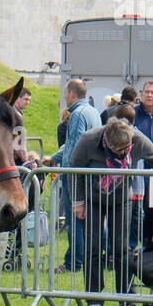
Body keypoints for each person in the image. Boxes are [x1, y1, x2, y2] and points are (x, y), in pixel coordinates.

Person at [70, 118, 153, 306]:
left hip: (122, 200)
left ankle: (125, 297)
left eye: (126, 149)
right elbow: (74, 169)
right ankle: (94, 298)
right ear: (106, 141)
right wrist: (78, 202)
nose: (123, 153)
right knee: (93, 246)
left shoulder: (138, 140)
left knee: (122, 249)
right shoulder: (89, 140)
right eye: (117, 150)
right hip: (93, 199)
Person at [42, 78, 101, 273]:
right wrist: (54, 157)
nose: (64, 96)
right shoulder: (93, 111)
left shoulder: (76, 114)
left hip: (75, 174)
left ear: (72, 93)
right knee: (89, 220)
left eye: (65, 93)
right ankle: (89, 258)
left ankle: (73, 263)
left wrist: (56, 160)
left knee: (73, 219)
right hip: (90, 172)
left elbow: (73, 147)